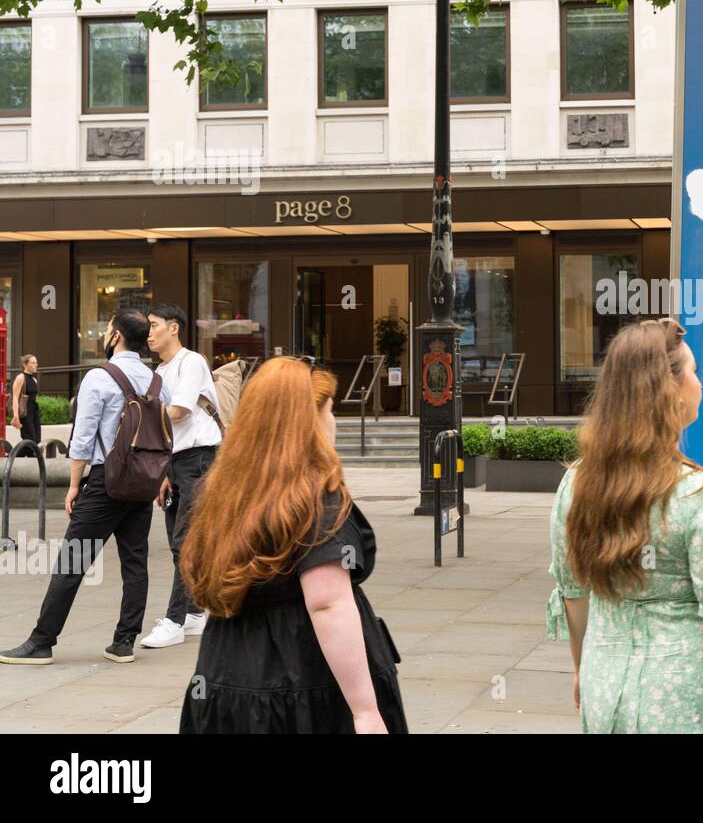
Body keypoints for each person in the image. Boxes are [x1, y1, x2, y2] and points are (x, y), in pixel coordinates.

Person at [547, 317, 703, 733]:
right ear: (669, 390)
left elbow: (574, 596)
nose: (700, 383)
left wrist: (583, 669)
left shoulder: (575, 485)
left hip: (605, 684)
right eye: (694, 371)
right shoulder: (698, 493)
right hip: (685, 700)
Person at [178, 358, 406, 733]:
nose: (334, 424)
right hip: (302, 684)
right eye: (329, 413)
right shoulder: (315, 499)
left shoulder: (225, 494)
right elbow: (328, 603)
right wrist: (365, 711)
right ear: (308, 425)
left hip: (224, 681)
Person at [0, 311, 170, 666]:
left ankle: (42, 641)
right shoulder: (156, 380)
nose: (105, 334)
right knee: (135, 563)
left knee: (71, 562)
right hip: (141, 483)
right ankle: (124, 642)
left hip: (105, 484)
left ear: (117, 337)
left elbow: (82, 438)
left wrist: (74, 484)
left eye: (108, 330)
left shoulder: (100, 377)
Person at [139, 305, 222, 649]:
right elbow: (165, 424)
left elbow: (179, 410)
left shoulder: (192, 362)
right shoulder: (160, 370)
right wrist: (161, 471)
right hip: (174, 461)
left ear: (174, 328)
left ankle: (174, 621)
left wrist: (139, 421)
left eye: (154, 326)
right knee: (179, 539)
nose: (149, 332)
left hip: (200, 459)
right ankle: (193, 613)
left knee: (184, 541)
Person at [9, 353, 40, 456]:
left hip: (34, 412)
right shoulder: (20, 378)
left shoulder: (34, 380)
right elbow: (15, 397)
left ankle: (21, 463)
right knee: (30, 441)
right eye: (33, 363)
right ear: (25, 365)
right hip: (25, 414)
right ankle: (12, 458)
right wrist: (16, 416)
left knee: (36, 441)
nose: (36, 365)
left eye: (36, 362)